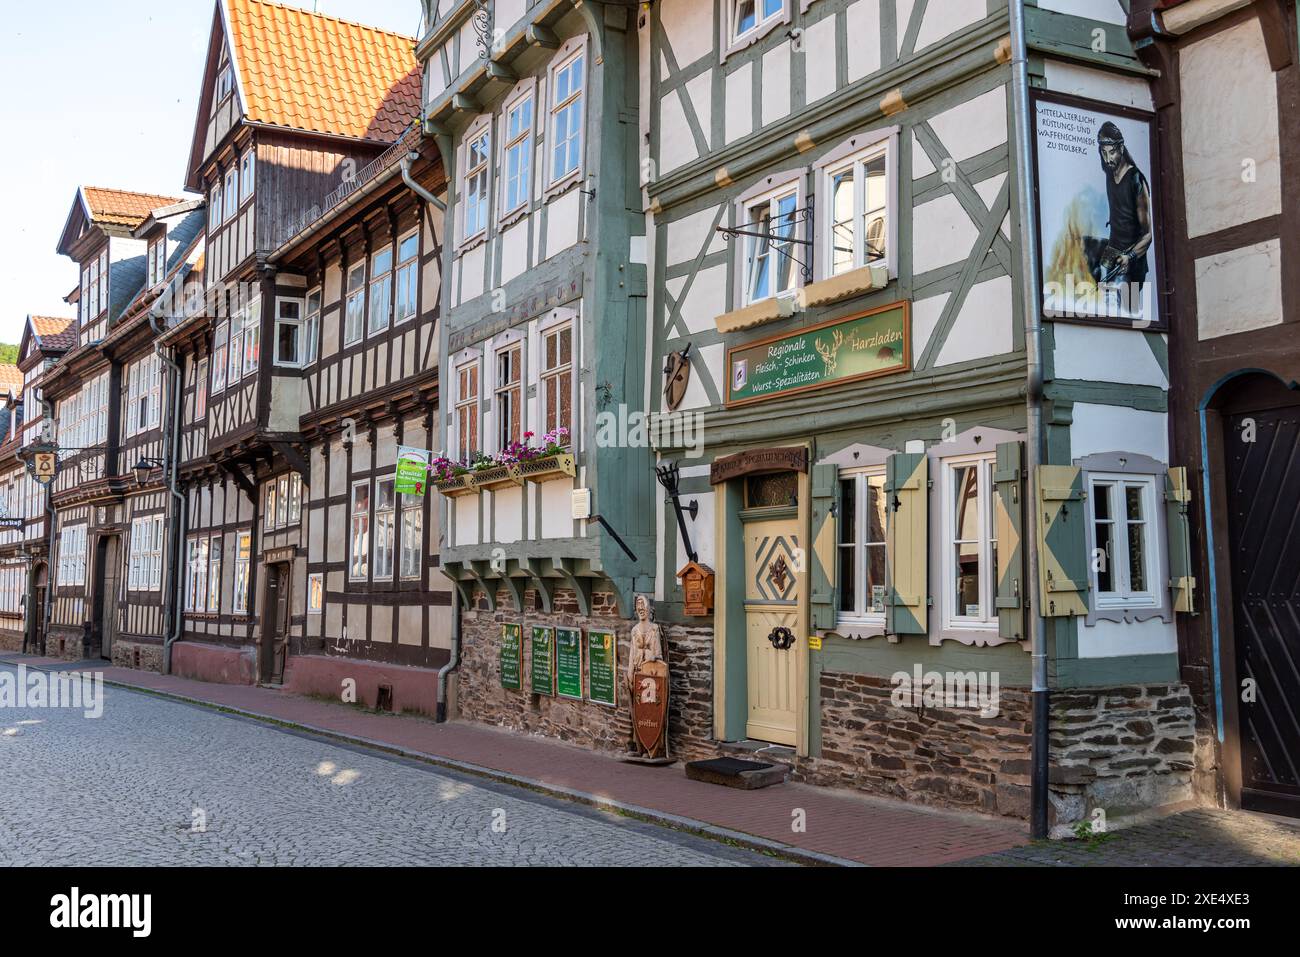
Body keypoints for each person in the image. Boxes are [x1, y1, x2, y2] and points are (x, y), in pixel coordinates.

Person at [1095, 121, 1153, 301]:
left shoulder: (1136, 179)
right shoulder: (1109, 172)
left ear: (1121, 148)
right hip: (1112, 250)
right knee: (1102, 301)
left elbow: (1148, 235)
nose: (1108, 159)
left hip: (1131, 259)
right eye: (1104, 153)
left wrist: (1130, 256)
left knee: (1125, 310)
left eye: (1111, 152)